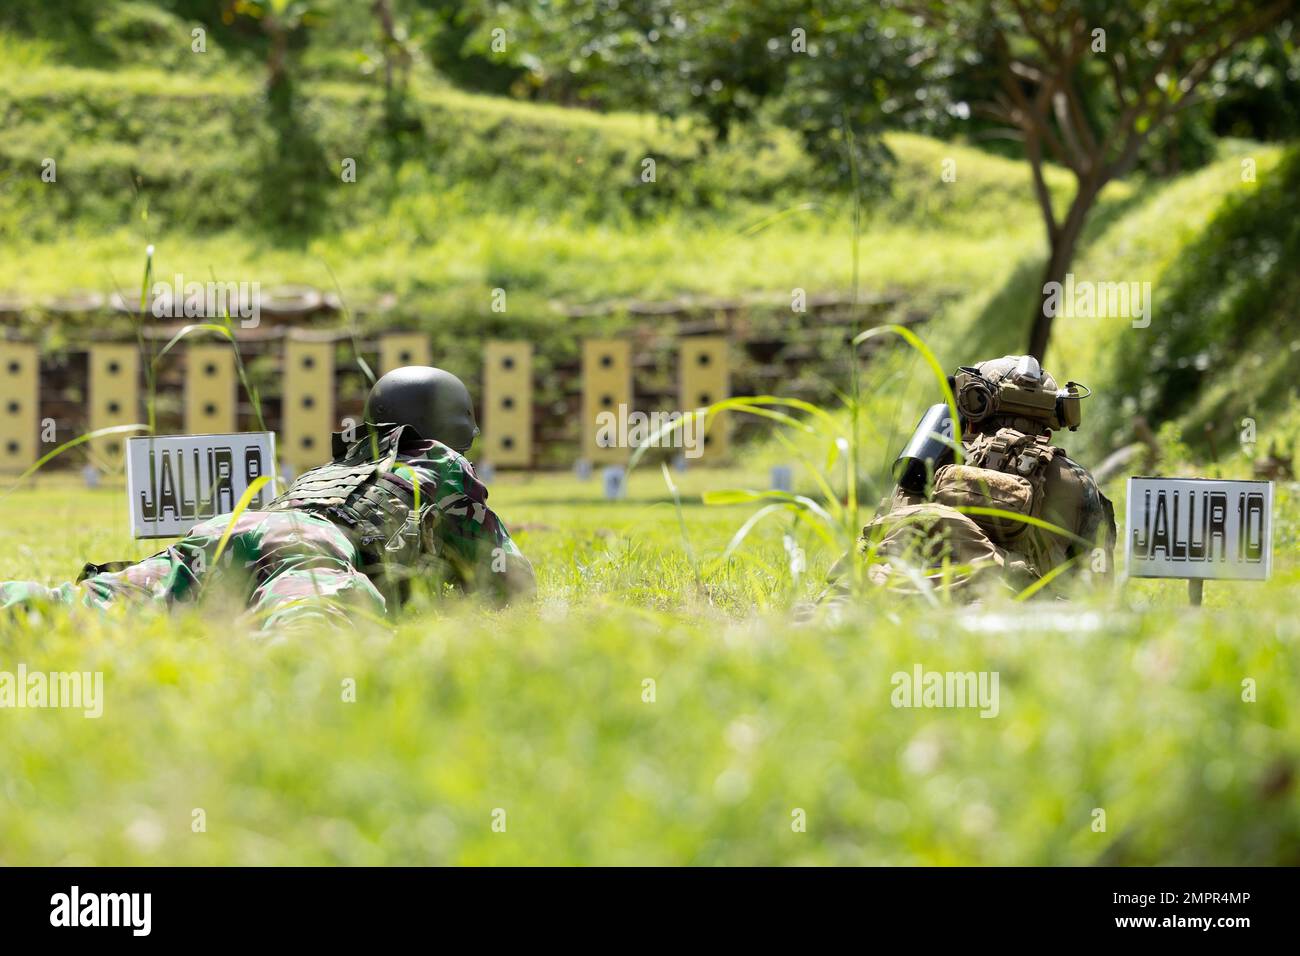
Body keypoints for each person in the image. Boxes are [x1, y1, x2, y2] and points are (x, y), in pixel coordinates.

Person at [0, 366, 535, 631]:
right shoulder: (439, 464)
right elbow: (509, 580)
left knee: (83, 608)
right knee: (311, 630)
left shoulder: (335, 466)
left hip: (226, 532)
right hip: (306, 549)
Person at [829, 354, 1116, 598]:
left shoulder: (926, 463)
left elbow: (879, 537)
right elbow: (1097, 589)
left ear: (973, 416)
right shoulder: (1076, 481)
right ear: (1047, 433)